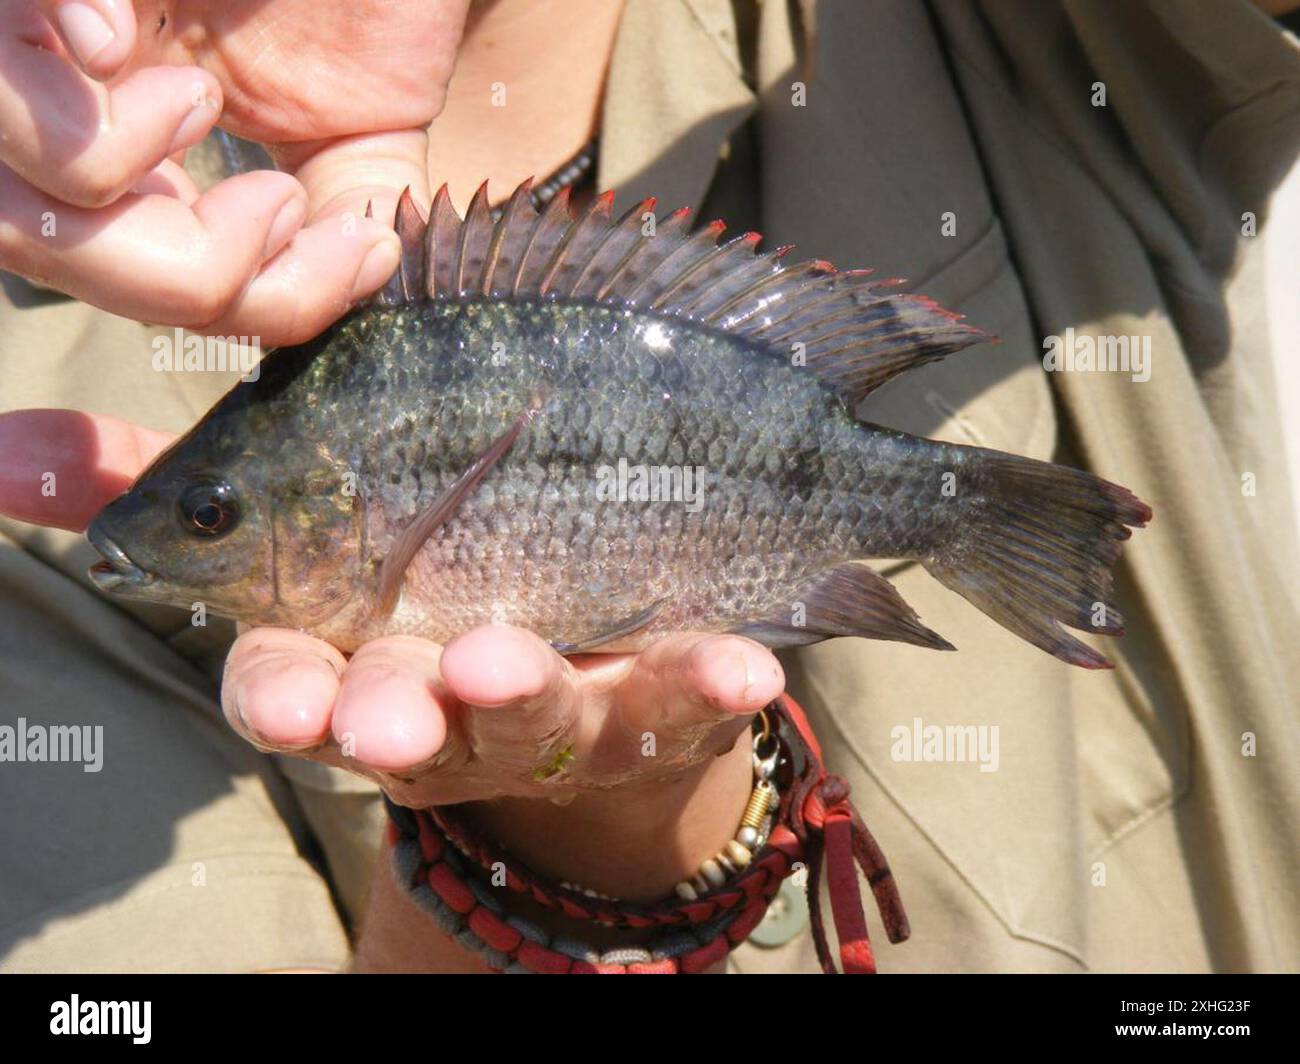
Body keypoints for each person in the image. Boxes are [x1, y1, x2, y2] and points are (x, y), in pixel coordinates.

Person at [1, 0, 1297, 973]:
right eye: (211, 516)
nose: (192, 532)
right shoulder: (48, 365)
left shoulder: (964, 33)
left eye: (213, 513)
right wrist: (561, 853)